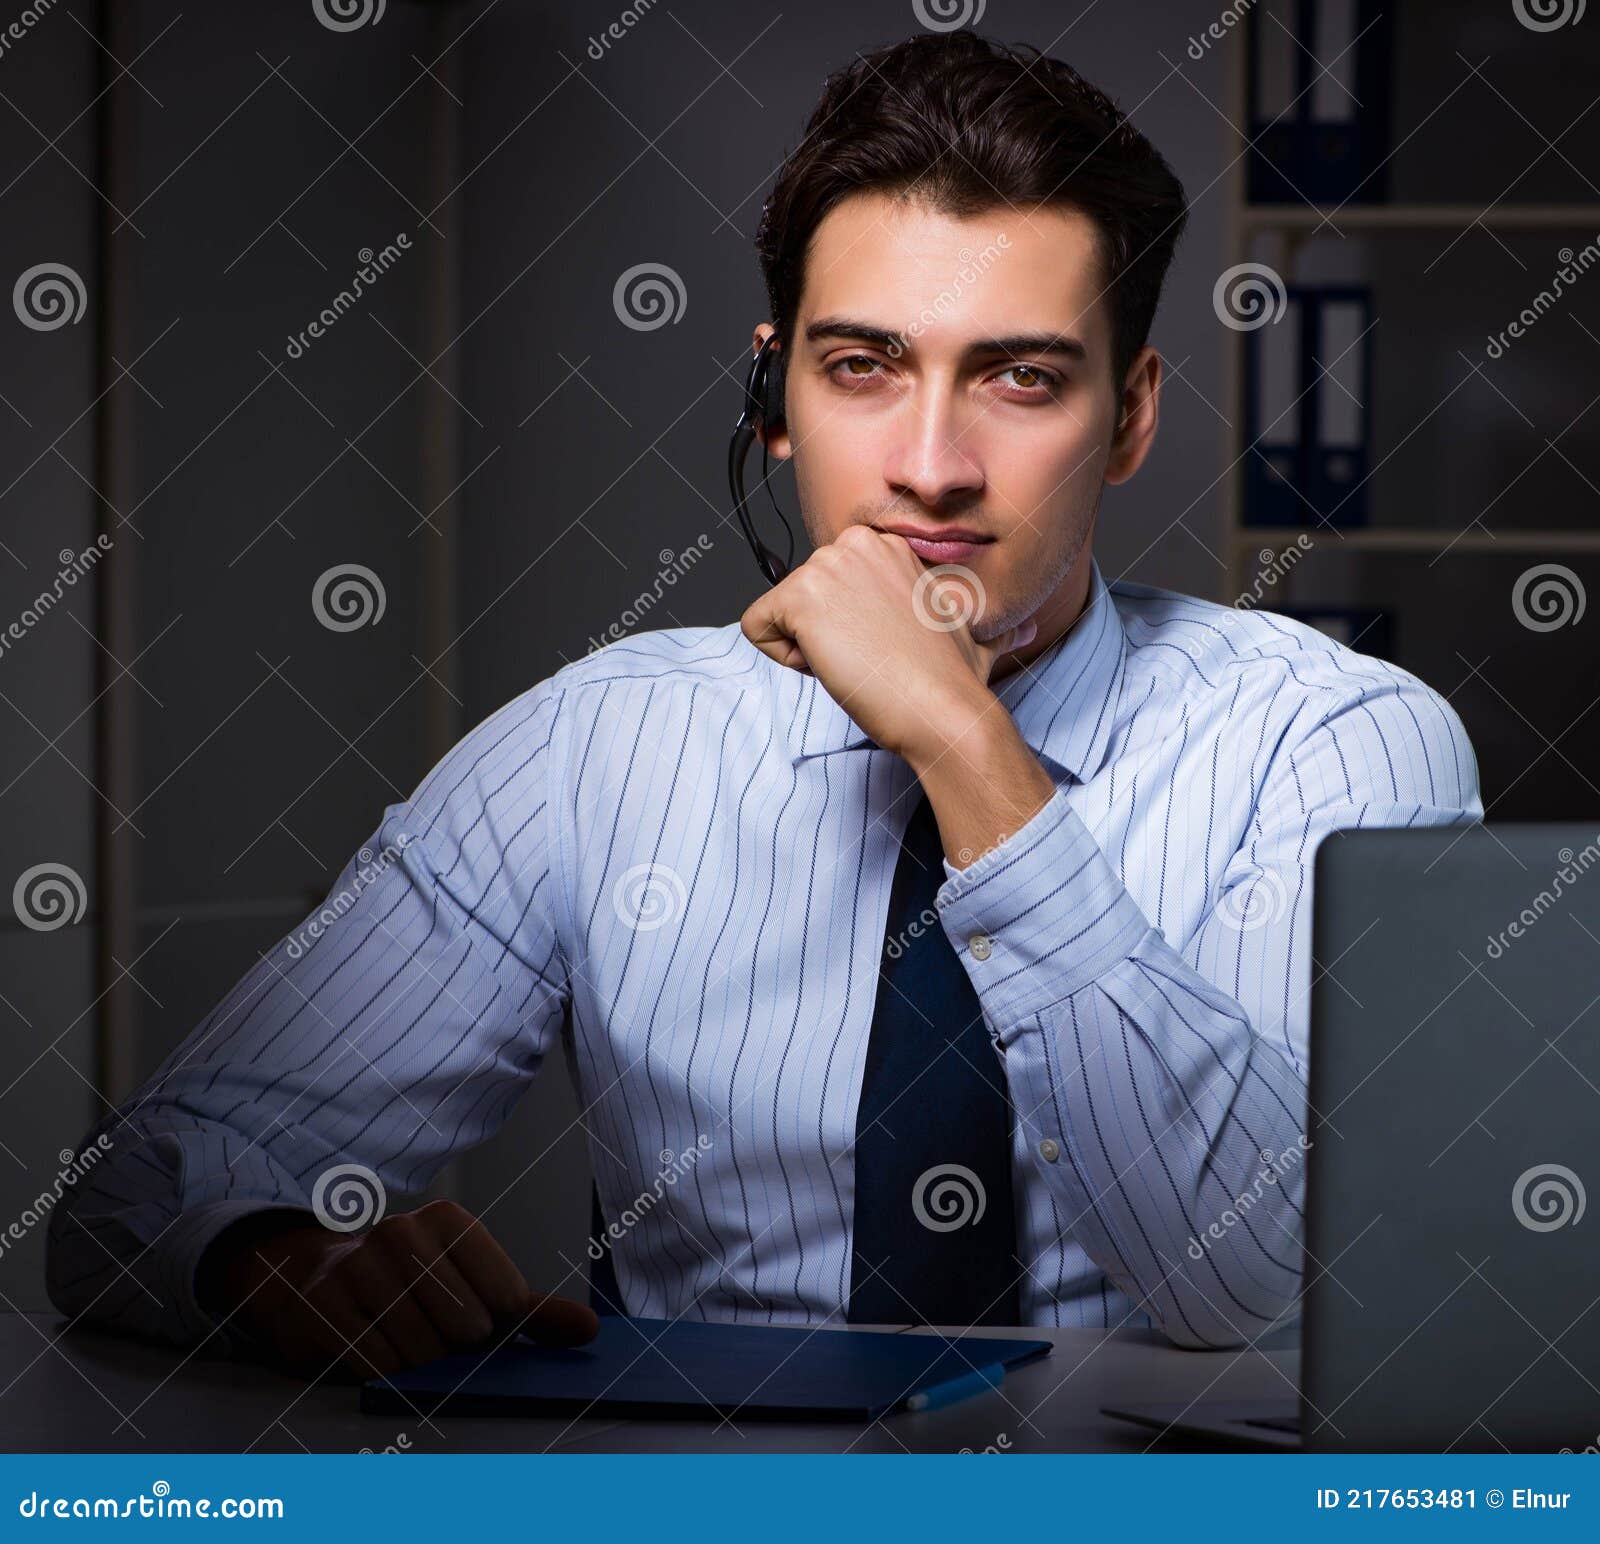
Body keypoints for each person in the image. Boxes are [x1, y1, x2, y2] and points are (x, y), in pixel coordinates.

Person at [47, 30, 1481, 1382]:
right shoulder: (592, 745)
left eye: (1021, 379)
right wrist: (267, 1252)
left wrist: (968, 752)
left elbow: (1255, 1286)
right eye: (862, 369)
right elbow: (121, 1206)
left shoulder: (1335, 740)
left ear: (1130, 416)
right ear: (775, 398)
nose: (930, 463)